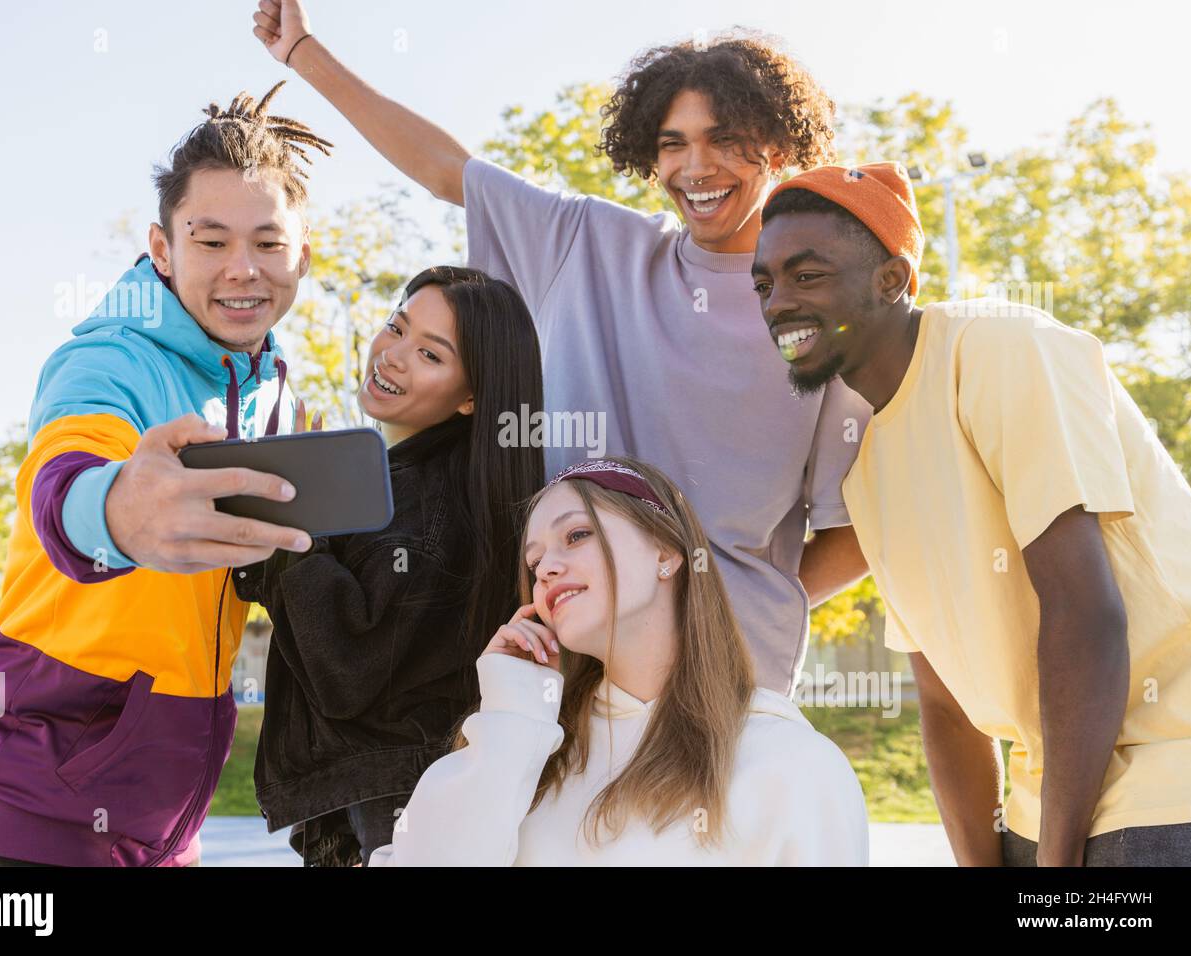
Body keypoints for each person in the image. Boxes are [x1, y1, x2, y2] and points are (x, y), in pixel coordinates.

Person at [249, 0, 873, 696]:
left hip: (734, 674)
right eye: (672, 143)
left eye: (724, 139)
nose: (696, 166)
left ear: (779, 148)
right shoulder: (592, 245)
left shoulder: (827, 323)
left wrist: (747, 605)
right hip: (569, 664)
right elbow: (446, 170)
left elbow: (859, 531)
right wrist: (304, 51)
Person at [755, 162, 1191, 866]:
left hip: (1172, 789)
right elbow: (946, 704)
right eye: (765, 283)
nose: (778, 302)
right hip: (1045, 813)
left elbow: (1084, 612)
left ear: (892, 279)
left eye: (806, 276)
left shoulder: (999, 348)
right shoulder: (866, 470)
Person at [0, 83, 332, 866]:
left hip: (160, 803)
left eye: (268, 243)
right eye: (210, 241)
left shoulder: (272, 388)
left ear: (303, 255)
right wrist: (114, 513)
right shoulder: (106, 359)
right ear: (162, 249)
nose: (243, 270)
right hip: (37, 791)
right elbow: (66, 474)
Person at [367, 456, 868, 866]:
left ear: (667, 553)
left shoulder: (790, 763)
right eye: (535, 563)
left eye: (577, 535)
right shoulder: (528, 747)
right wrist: (511, 712)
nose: (548, 570)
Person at [235, 266, 546, 866]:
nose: (393, 355)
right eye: (395, 327)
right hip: (375, 794)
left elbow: (345, 668)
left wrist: (298, 527)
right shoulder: (401, 488)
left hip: (388, 799)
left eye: (429, 353)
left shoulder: (428, 506)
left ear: (472, 395)